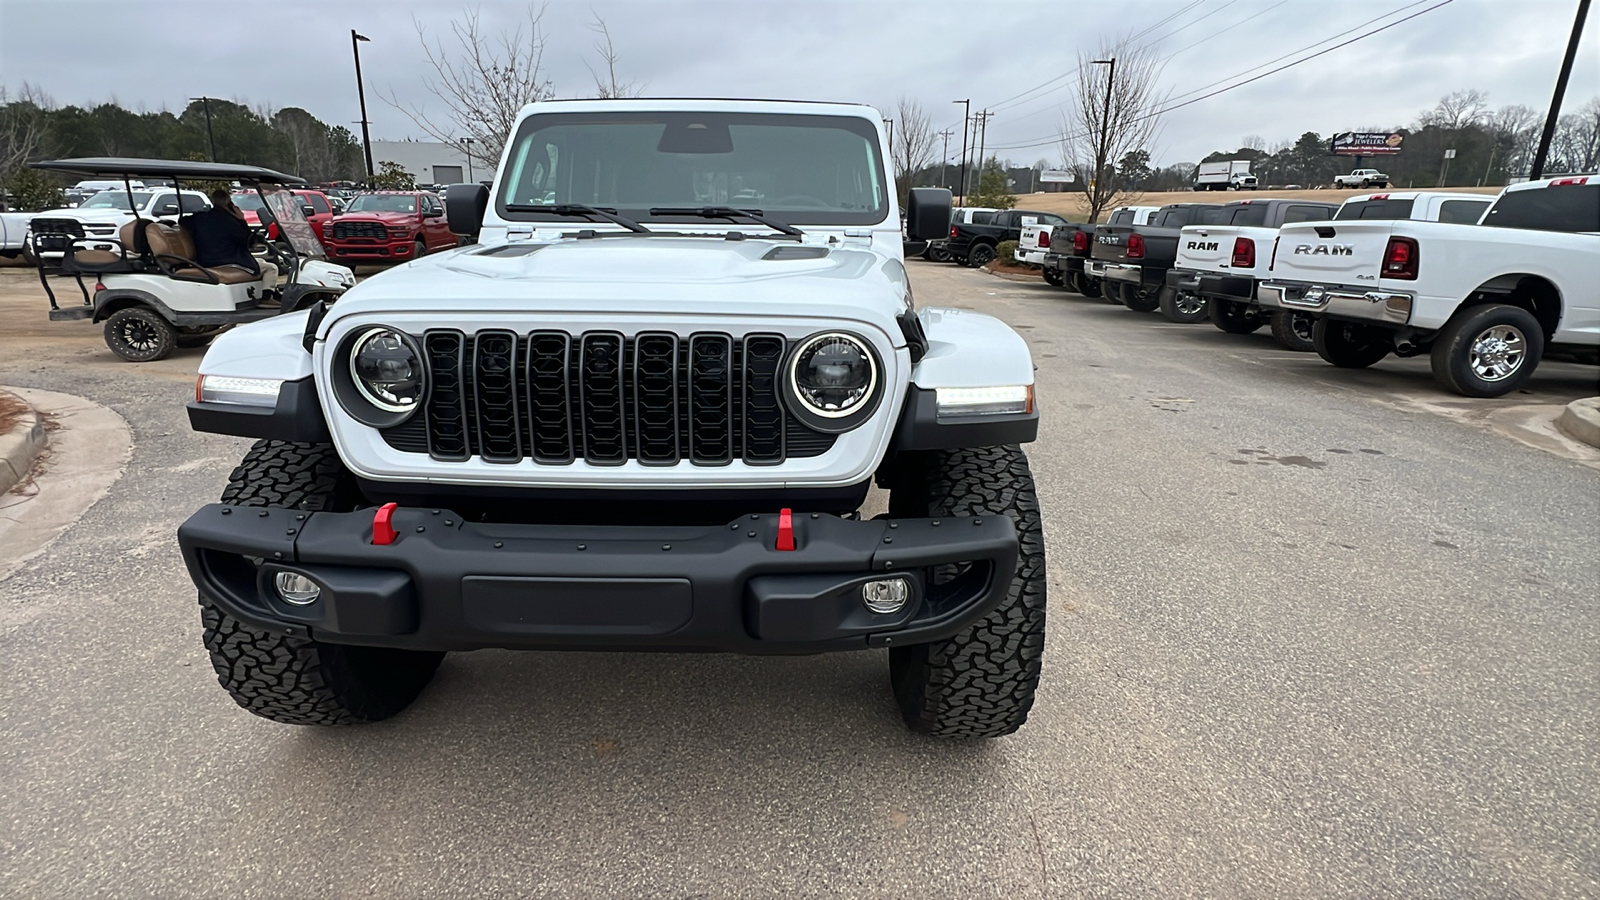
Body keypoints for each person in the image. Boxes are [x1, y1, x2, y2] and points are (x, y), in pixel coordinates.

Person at [183, 189, 277, 291]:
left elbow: (182, 221)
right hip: (227, 261)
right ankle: (267, 297)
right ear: (230, 204)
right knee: (271, 268)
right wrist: (241, 220)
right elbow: (248, 241)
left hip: (206, 261)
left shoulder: (199, 218)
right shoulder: (231, 222)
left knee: (260, 261)